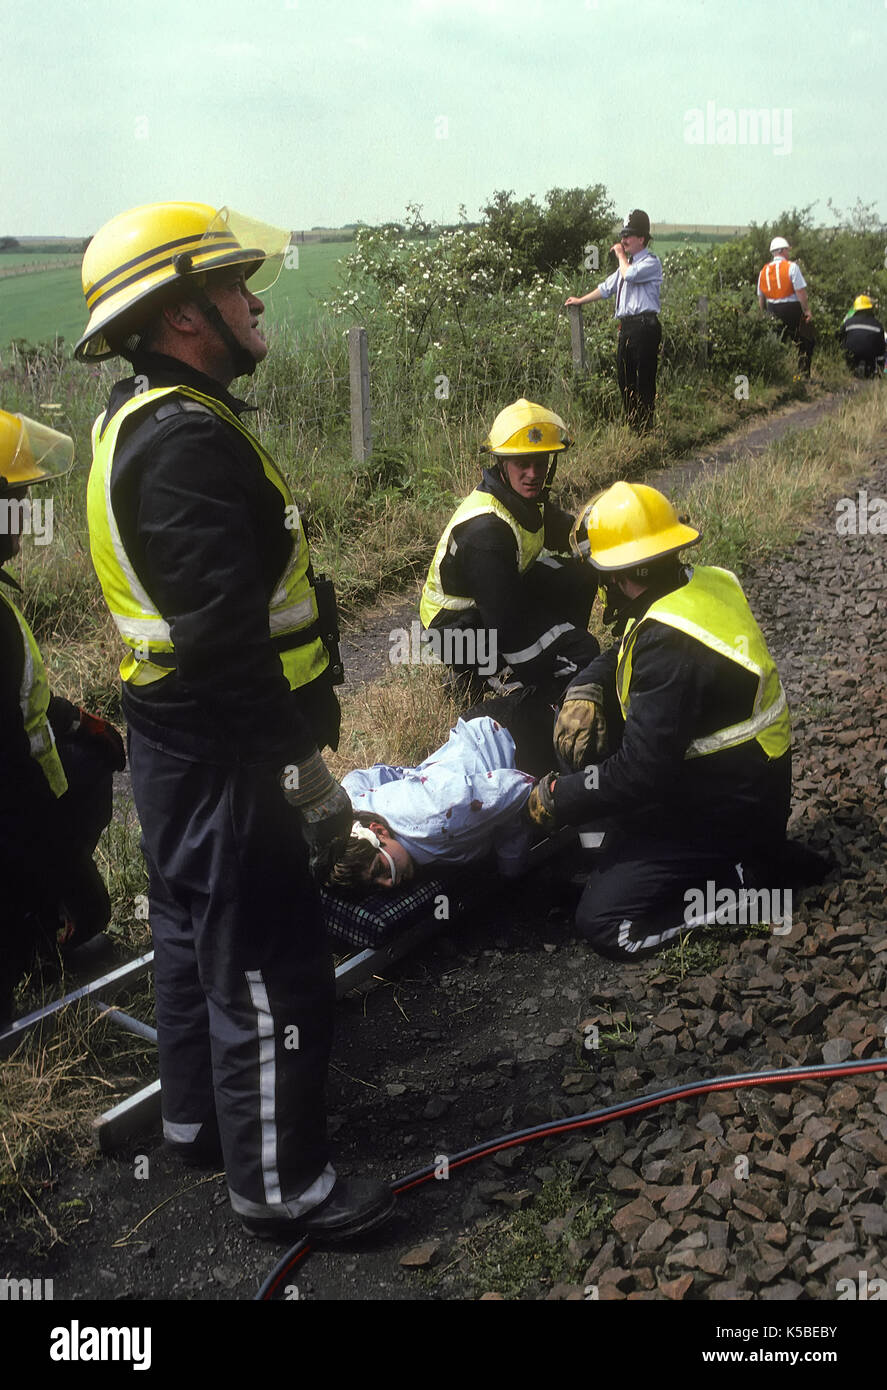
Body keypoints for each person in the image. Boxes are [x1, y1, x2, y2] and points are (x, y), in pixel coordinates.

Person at [76, 201, 393, 1242]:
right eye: (234, 285)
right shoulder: (182, 443)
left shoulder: (147, 418)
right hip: (227, 748)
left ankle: (198, 1124)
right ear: (181, 317)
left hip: (179, 740)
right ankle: (282, 1187)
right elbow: (223, 639)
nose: (255, 299)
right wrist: (300, 775)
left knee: (188, 936)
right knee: (269, 960)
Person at [526, 481, 794, 961]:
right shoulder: (696, 582)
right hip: (741, 779)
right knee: (600, 808)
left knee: (604, 922)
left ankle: (746, 888)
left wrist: (559, 798)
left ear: (627, 574)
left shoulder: (670, 647)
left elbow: (640, 774)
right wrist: (588, 686)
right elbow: (624, 645)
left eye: (603, 575)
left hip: (732, 809)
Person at [0, 410, 123, 1027]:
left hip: (24, 802)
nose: (26, 513)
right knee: (90, 914)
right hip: (16, 815)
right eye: (15, 499)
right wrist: (55, 861)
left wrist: (82, 726)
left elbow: (23, 699)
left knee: (93, 764)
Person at [419, 397, 599, 720]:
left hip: (497, 601)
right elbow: (509, 632)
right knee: (580, 653)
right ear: (502, 463)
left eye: (541, 462)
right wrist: (562, 655)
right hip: (459, 632)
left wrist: (617, 545)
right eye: (522, 463)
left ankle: (518, 671)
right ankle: (493, 691)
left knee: (580, 576)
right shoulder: (484, 532)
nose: (533, 474)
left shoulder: (525, 499)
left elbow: (568, 533)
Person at [327, 715, 536, 892]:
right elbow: (355, 781)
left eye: (380, 870)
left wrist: (511, 869)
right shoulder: (356, 809)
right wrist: (411, 779)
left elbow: (517, 789)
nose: (388, 884)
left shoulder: (439, 819)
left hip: (513, 739)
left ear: (379, 831)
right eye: (376, 885)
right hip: (469, 746)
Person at [565, 210, 663, 432]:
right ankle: (633, 427)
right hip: (628, 328)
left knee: (643, 380)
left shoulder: (650, 262)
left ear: (642, 239)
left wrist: (619, 256)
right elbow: (606, 288)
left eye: (629, 235)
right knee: (625, 380)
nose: (624, 240)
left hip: (645, 327)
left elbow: (629, 275)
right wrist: (580, 300)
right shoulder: (625, 266)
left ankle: (646, 429)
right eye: (623, 235)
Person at [757, 235, 815, 377]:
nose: (789, 253)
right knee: (805, 340)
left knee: (776, 344)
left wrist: (764, 313)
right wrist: (807, 310)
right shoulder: (792, 267)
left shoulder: (763, 271)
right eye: (787, 250)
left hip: (772, 309)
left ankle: (776, 376)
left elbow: (761, 296)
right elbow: (800, 291)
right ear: (782, 251)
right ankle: (803, 375)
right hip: (791, 309)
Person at [839, 295, 885, 377]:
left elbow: (839, 336)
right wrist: (880, 364)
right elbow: (881, 345)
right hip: (870, 355)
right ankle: (874, 373)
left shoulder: (848, 322)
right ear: (870, 309)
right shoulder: (878, 325)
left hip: (851, 353)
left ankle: (847, 369)